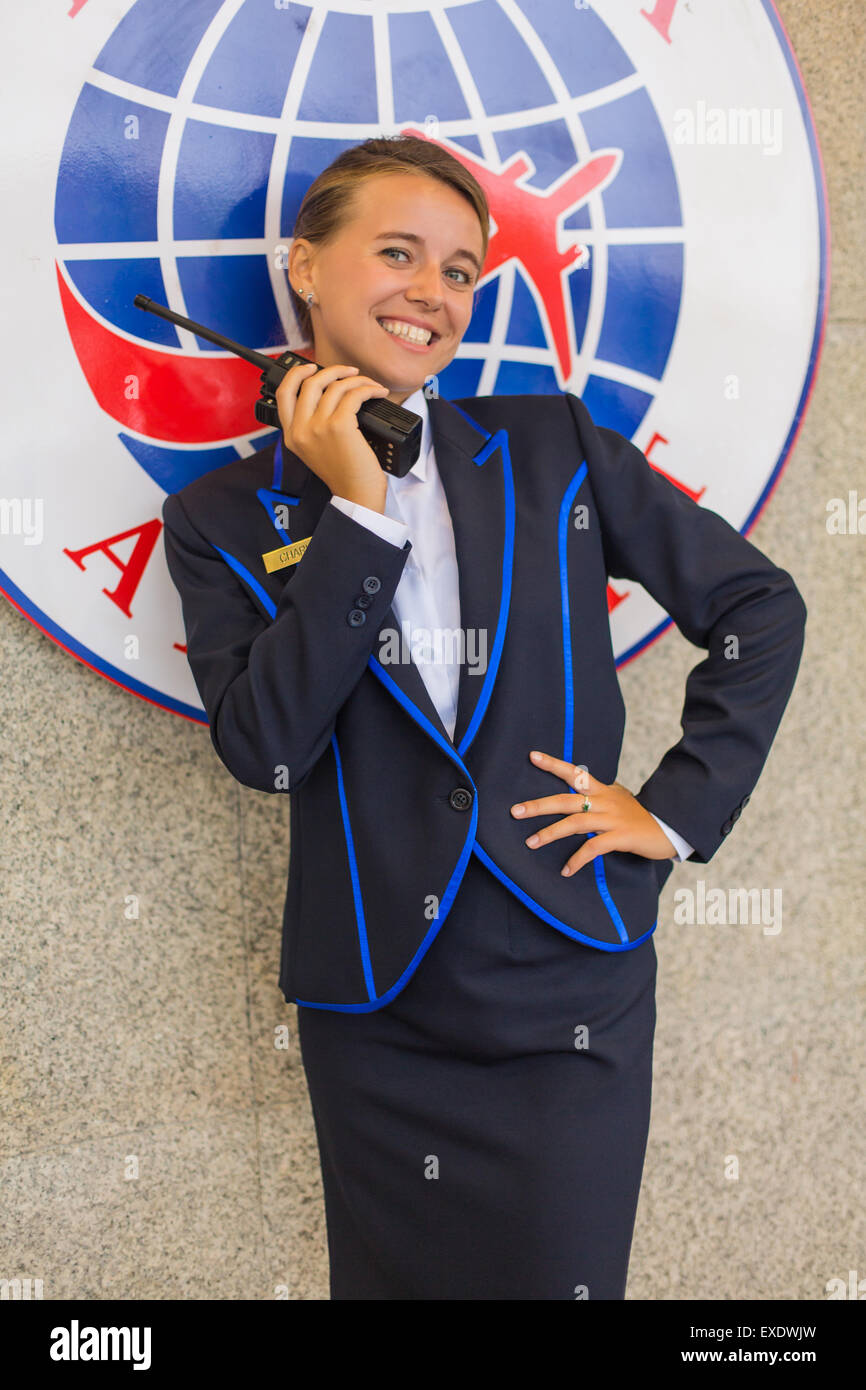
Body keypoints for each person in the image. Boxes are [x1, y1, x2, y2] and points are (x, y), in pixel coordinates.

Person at [161, 135, 807, 1300]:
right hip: (375, 1002)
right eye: (396, 252)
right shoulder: (216, 515)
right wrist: (355, 513)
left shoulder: (550, 447)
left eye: (459, 271)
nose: (432, 292)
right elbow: (262, 746)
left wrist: (668, 817)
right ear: (305, 268)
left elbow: (758, 605)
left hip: (563, 985)